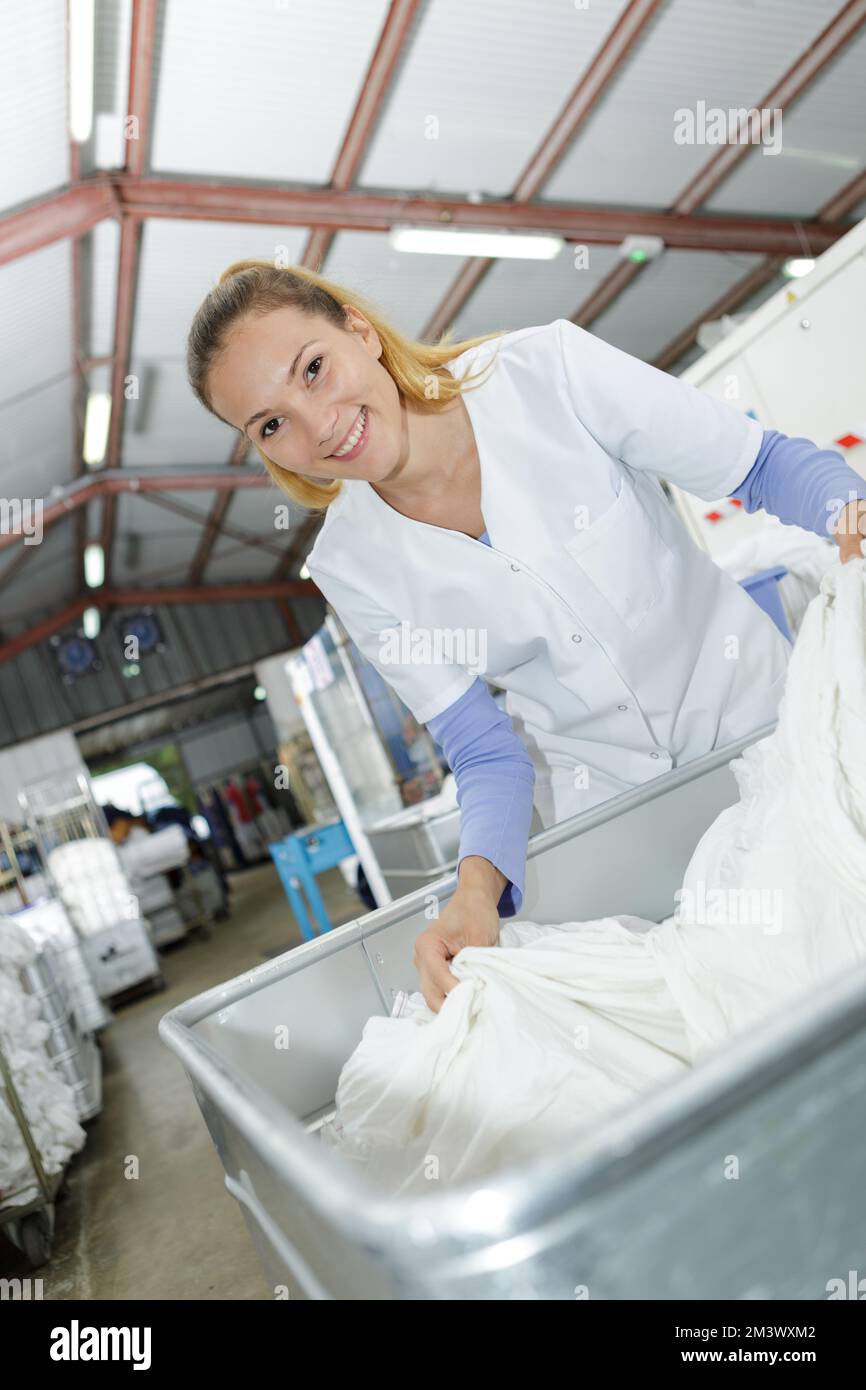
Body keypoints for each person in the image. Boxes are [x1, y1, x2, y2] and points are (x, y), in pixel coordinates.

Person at [186, 261, 866, 1012]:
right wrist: (474, 890)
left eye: (313, 368)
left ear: (360, 330)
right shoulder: (351, 564)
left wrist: (850, 516)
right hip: (618, 818)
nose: (318, 426)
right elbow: (484, 750)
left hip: (772, 739)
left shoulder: (547, 373)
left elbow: (760, 466)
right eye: (271, 424)